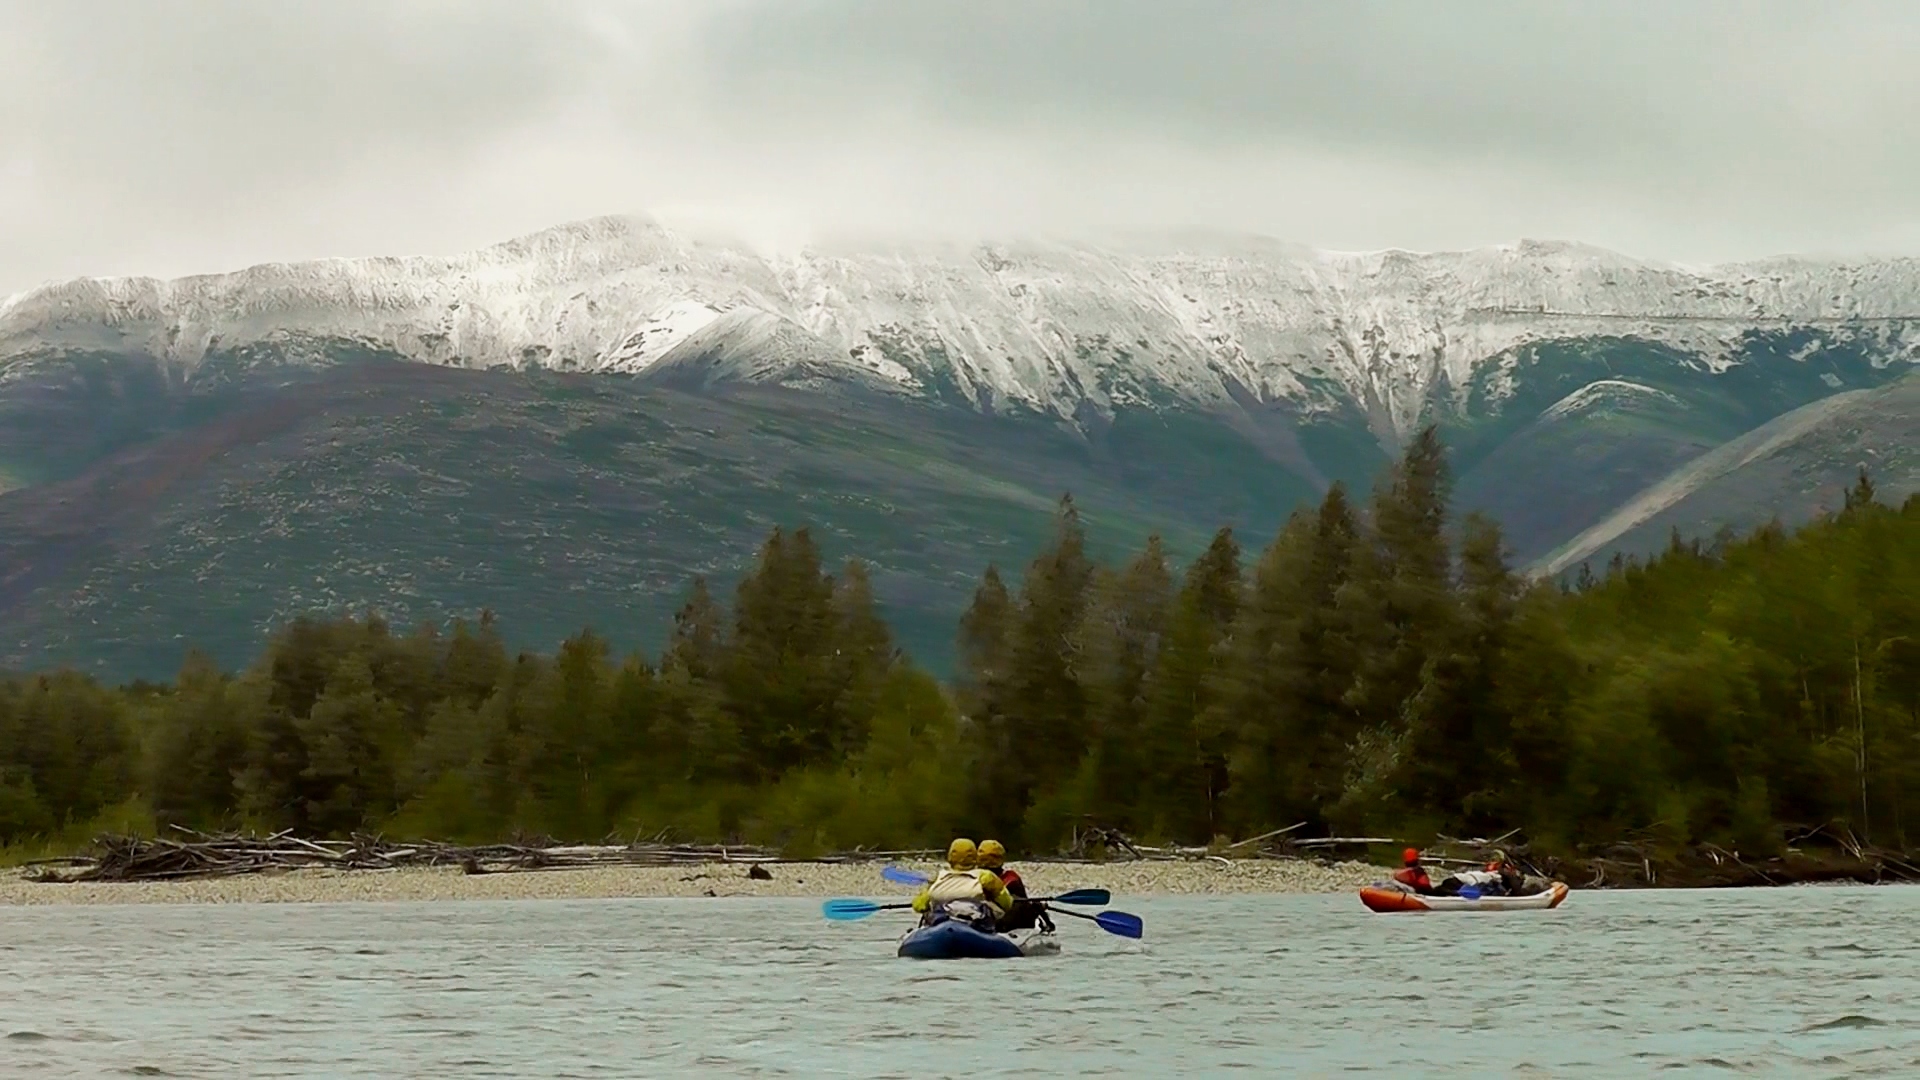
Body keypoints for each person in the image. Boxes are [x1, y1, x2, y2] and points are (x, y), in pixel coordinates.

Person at [912, 838, 1016, 931]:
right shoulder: (986, 876)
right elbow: (1006, 903)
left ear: (950, 857)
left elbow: (918, 905)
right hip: (975, 922)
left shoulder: (938, 878)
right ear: (975, 857)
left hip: (941, 921)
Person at [978, 839, 1054, 933]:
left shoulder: (970, 877)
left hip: (1002, 924)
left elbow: (1020, 907)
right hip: (997, 922)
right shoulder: (1012, 878)